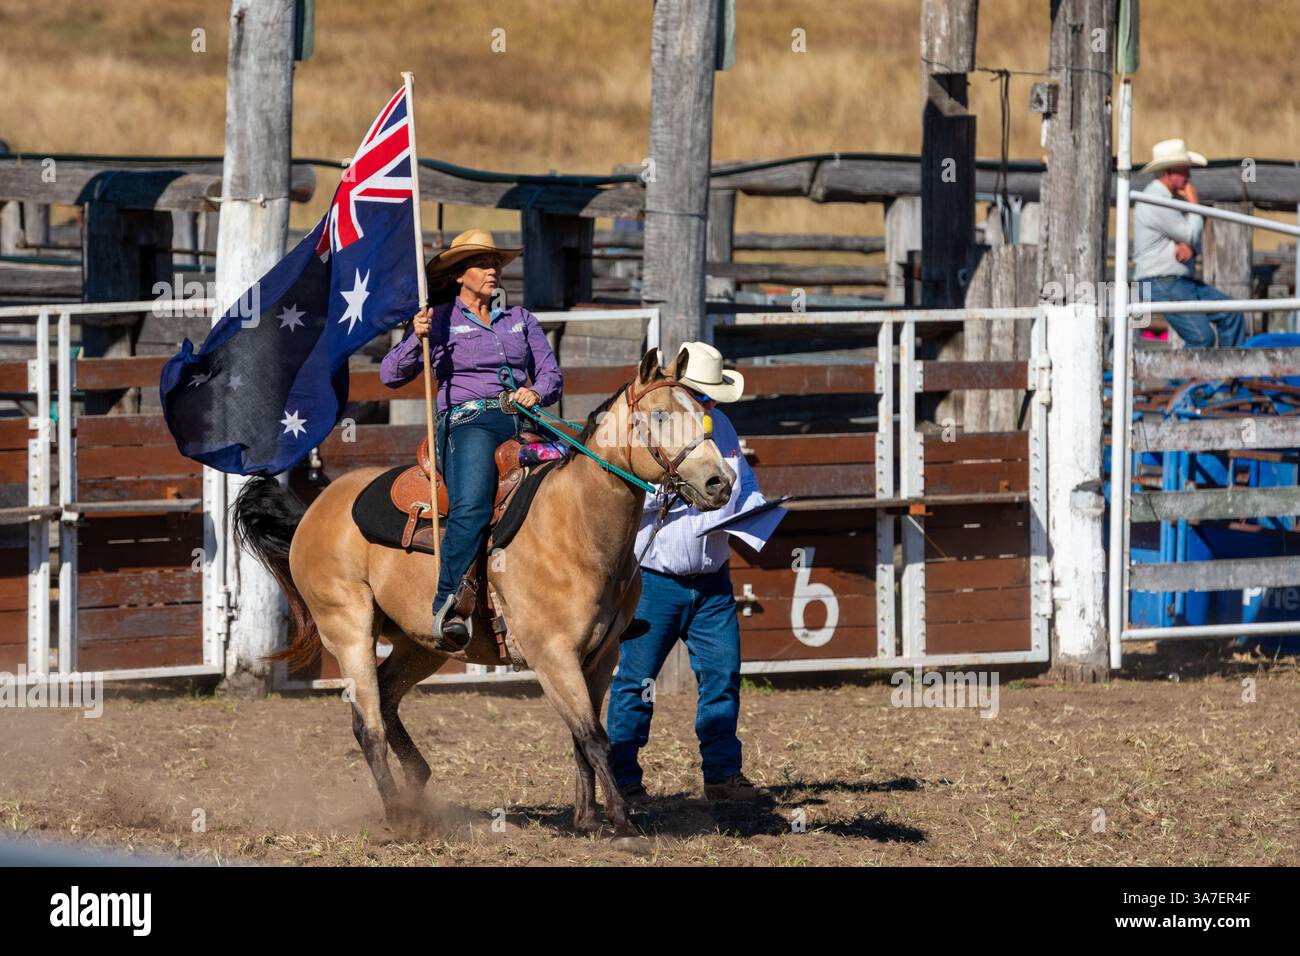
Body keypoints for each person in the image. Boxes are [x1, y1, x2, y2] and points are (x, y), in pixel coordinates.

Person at [606, 341, 785, 804]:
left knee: (722, 675)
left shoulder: (720, 426)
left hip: (711, 581)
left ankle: (723, 776)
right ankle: (621, 779)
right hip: (655, 579)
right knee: (635, 682)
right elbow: (629, 498)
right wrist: (681, 491)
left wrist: (757, 512)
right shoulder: (649, 430)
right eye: (702, 396)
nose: (708, 405)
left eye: (711, 398)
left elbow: (741, 486)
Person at [380, 229, 562, 650]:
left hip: (524, 420)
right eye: (483, 264)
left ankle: (606, 600)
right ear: (460, 275)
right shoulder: (438, 319)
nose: (493, 270)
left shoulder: (522, 320)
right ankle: (449, 606)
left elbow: (552, 375)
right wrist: (415, 338)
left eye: (496, 263)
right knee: (474, 504)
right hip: (469, 423)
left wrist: (535, 391)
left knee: (586, 475)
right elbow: (390, 375)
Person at [1132, 138, 1245, 348]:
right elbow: (1191, 234)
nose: (1188, 175)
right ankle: (1184, 382)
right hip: (1162, 281)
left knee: (1231, 312)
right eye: (1183, 170)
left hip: (1174, 280)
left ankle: (1227, 378)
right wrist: (1194, 204)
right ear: (1168, 172)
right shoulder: (1157, 200)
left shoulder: (1163, 199)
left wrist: (1190, 247)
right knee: (1201, 338)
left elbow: (1191, 242)